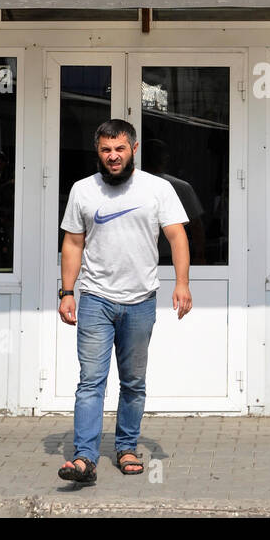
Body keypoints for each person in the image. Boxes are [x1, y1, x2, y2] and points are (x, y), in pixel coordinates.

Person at [56, 118, 191, 484]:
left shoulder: (157, 189)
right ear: (97, 152)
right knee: (91, 381)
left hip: (140, 301)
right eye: (105, 150)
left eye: (119, 149)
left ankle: (127, 446)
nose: (113, 157)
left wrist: (182, 284)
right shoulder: (83, 191)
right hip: (96, 298)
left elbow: (177, 237)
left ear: (134, 148)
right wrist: (67, 292)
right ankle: (84, 458)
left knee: (133, 382)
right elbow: (72, 243)